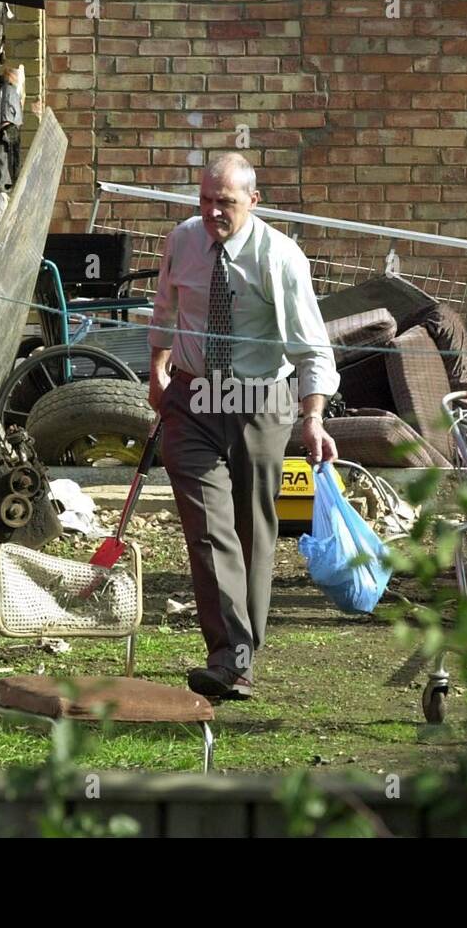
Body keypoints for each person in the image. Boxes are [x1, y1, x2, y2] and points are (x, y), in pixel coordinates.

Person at [148, 153, 339, 701]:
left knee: (255, 528)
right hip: (193, 395)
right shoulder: (182, 240)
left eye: (224, 203)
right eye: (205, 201)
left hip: (261, 398)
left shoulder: (279, 256)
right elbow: (166, 307)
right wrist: (158, 369)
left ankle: (242, 651)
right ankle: (230, 655)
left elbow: (310, 345)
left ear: (253, 201)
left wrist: (312, 416)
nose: (212, 213)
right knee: (208, 525)